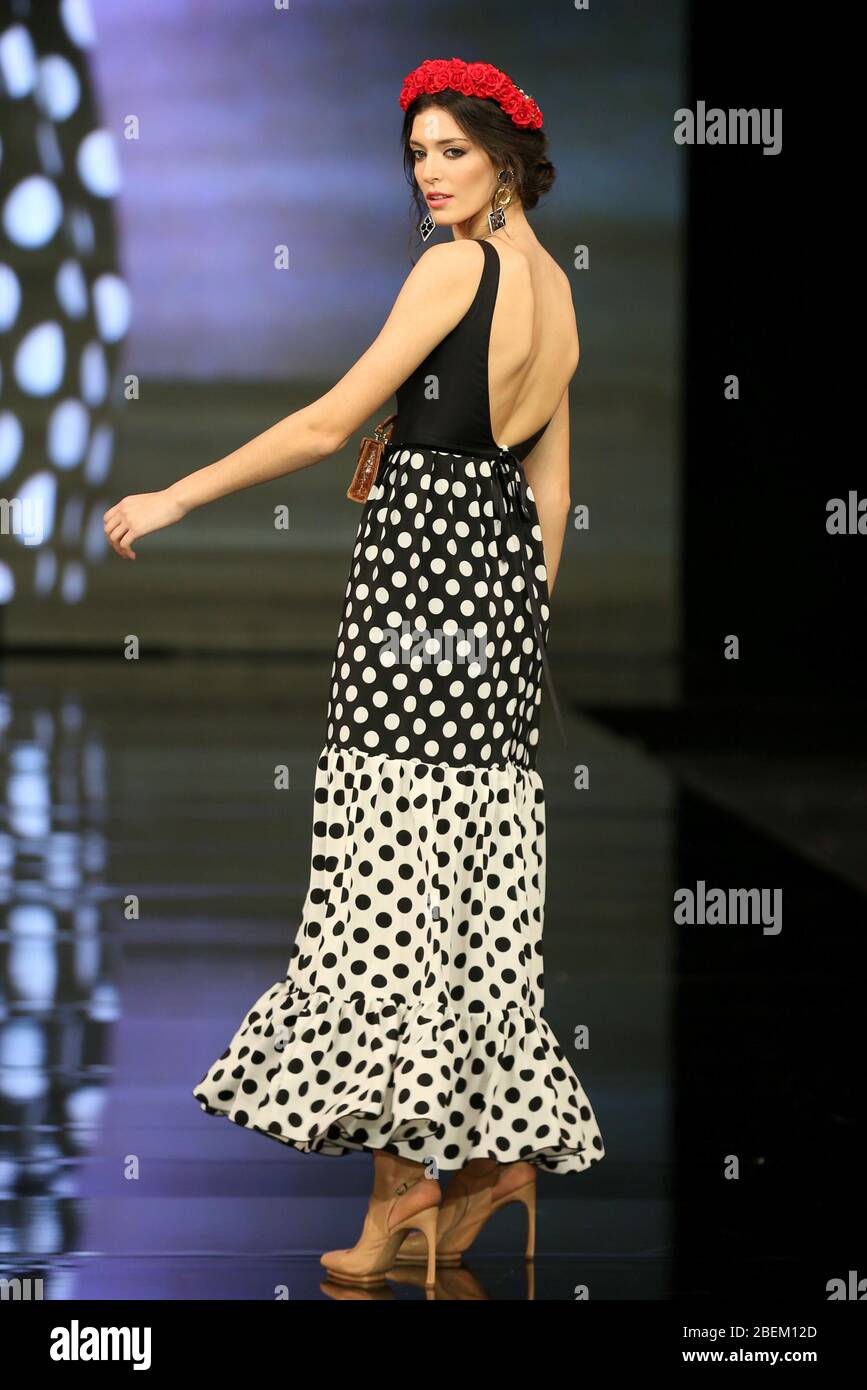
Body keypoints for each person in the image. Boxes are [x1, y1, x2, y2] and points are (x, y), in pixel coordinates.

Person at [104, 56, 604, 1290]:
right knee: (468, 889)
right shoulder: (557, 286)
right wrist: (521, 625)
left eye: (452, 151)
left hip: (414, 602)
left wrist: (175, 491)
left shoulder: (459, 267)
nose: (431, 175)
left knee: (382, 898)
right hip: (493, 612)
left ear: (505, 157)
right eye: (419, 155)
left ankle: (402, 1200)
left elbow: (331, 422)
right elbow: (553, 482)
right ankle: (490, 1165)